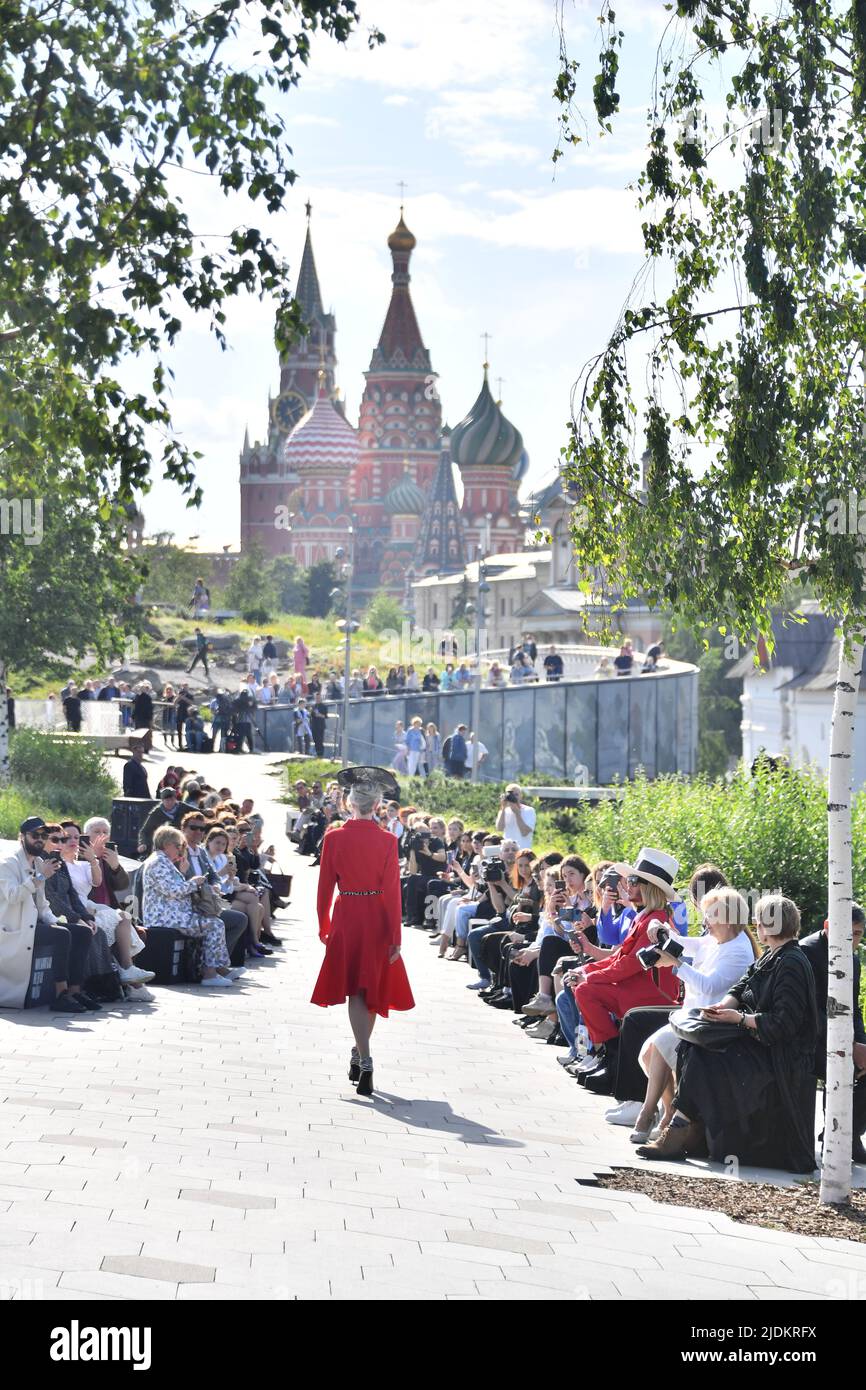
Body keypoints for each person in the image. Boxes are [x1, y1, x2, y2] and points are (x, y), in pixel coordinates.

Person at [637, 894, 818, 1171]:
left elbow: (784, 1024)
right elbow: (742, 986)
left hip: (780, 1057)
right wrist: (722, 1008)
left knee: (701, 1055)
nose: (755, 925)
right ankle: (686, 1127)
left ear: (769, 925)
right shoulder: (773, 955)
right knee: (691, 1047)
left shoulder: (791, 962)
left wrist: (740, 1018)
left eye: (759, 921)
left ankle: (680, 1130)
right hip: (762, 1044)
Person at [623, 887, 757, 1143]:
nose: (704, 921)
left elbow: (709, 985)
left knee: (660, 1047)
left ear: (726, 919)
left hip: (712, 1025)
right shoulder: (716, 939)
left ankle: (650, 1113)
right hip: (691, 1018)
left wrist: (675, 964)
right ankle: (669, 1110)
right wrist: (661, 929)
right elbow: (686, 943)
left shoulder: (739, 950)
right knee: (647, 1053)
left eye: (709, 916)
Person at [312, 766, 415, 1095]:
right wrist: (395, 936)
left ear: (348, 803)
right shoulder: (387, 840)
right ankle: (361, 1053)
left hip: (348, 913)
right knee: (369, 988)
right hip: (377, 916)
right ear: (378, 806)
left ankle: (364, 1057)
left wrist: (323, 923)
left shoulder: (334, 837)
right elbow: (392, 891)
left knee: (357, 991)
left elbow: (324, 886)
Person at [571, 848, 683, 1095]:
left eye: (633, 881)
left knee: (587, 990)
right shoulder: (644, 917)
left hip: (650, 994)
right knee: (585, 989)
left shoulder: (656, 920)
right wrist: (586, 968)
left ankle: (613, 1060)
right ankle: (610, 1058)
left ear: (648, 888)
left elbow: (628, 965)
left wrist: (588, 975)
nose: (627, 885)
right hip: (634, 988)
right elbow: (619, 957)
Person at [0, 817, 96, 1012]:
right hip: (14, 930)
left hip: (34, 924)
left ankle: (74, 991)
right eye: (35, 835)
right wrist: (41, 876)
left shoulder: (39, 863)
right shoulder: (7, 864)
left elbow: (42, 905)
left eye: (43, 836)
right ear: (22, 837)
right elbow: (13, 896)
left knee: (81, 932)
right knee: (61, 935)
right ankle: (60, 995)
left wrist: (58, 922)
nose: (39, 840)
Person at [800, 906, 866, 1164]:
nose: (853, 941)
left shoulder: (854, 961)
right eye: (847, 934)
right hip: (806, 1038)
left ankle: (846, 1134)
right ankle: (839, 1135)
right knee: (843, 1063)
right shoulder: (807, 952)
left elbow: (854, 1008)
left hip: (837, 1036)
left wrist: (861, 1043)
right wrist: (850, 1045)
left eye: (858, 934)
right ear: (828, 927)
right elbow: (811, 1010)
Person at [142, 825, 239, 987]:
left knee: (213, 921)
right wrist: (194, 882)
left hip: (172, 914)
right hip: (163, 917)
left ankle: (216, 969)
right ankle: (210, 974)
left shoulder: (163, 861)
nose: (181, 850)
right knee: (214, 925)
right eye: (178, 846)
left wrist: (185, 874)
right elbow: (172, 891)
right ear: (167, 845)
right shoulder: (158, 862)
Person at [495, 783, 536, 849]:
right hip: (507, 851)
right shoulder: (504, 811)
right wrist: (503, 808)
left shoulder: (529, 810)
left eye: (516, 795)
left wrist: (517, 813)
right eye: (510, 795)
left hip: (522, 850)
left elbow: (524, 833)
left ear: (521, 796)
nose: (513, 797)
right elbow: (499, 828)